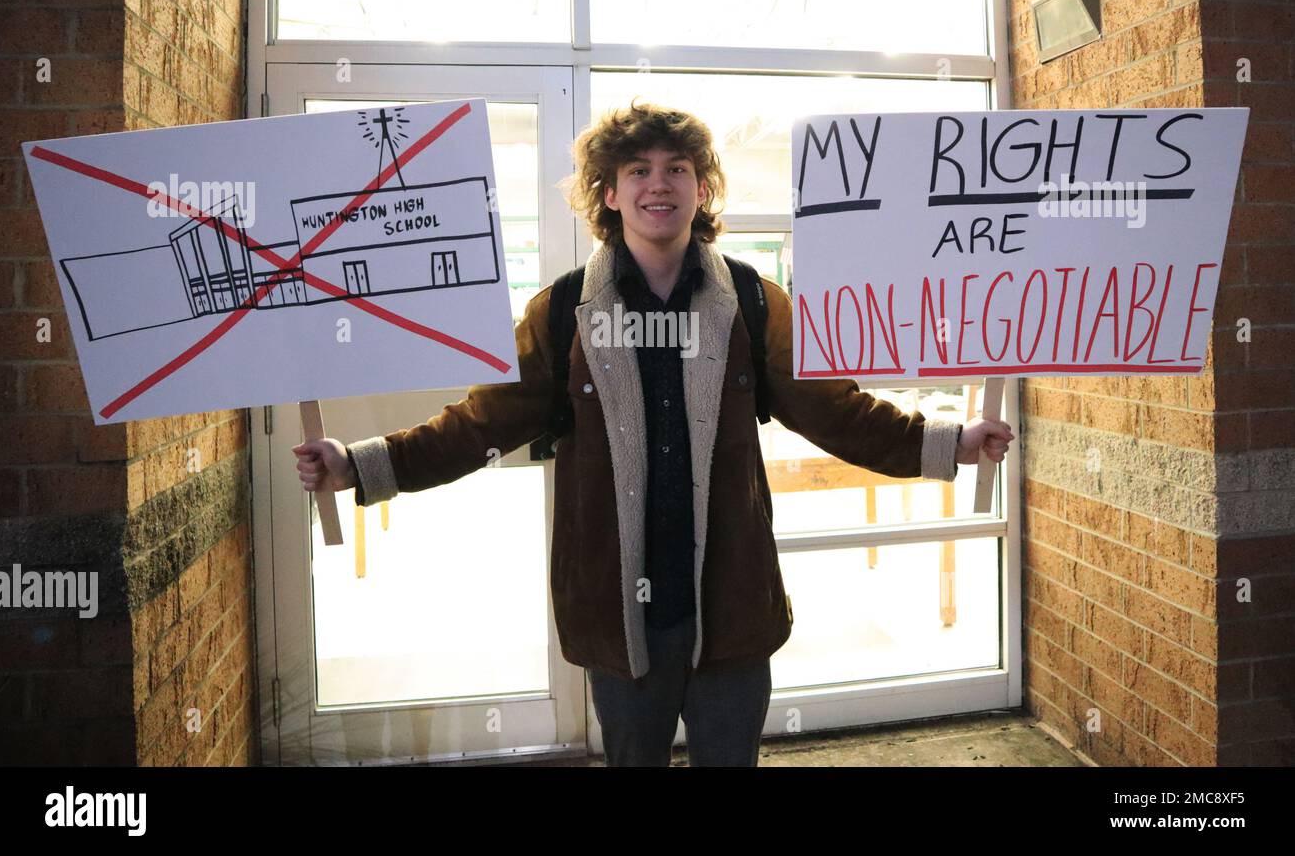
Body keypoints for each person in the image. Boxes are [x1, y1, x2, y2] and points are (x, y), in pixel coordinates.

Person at [293, 99, 1014, 767]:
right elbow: (480, 423)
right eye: (637, 170)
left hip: (729, 608)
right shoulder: (564, 311)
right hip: (618, 614)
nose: (657, 185)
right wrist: (358, 466)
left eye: (678, 169)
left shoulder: (757, 304)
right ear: (608, 193)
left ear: (703, 190)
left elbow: (837, 412)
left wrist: (950, 443)